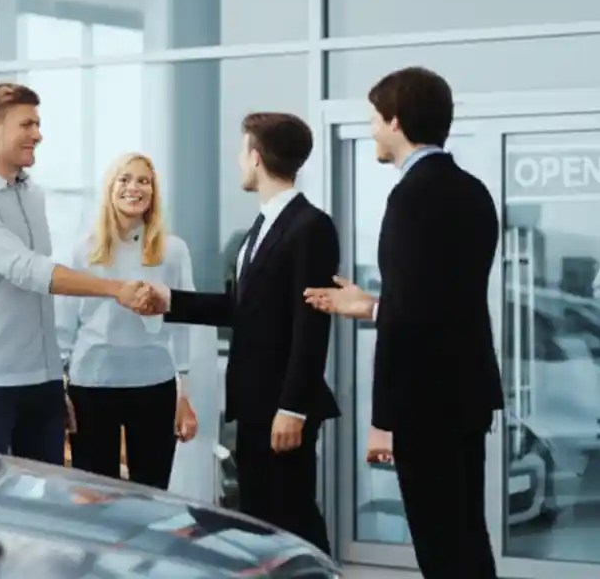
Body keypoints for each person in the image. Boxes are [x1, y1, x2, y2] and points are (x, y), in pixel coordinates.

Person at [304, 67, 501, 579]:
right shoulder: (474, 191)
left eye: (374, 118)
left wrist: (383, 419)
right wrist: (375, 304)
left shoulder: (411, 197)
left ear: (396, 120)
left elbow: (415, 316)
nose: (371, 129)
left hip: (426, 403)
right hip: (467, 394)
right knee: (466, 538)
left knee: (441, 547)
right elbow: (444, 301)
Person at [152, 112, 340, 553]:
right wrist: (170, 300)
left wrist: (293, 407)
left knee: (292, 517)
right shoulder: (261, 226)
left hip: (282, 405)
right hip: (255, 403)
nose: (239, 161)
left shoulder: (309, 226)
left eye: (242, 151)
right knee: (260, 517)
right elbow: (243, 309)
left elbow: (311, 324)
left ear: (256, 157)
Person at [0, 82, 156, 465]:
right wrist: (116, 289)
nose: (38, 135)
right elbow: (28, 270)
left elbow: (39, 304)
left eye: (38, 124)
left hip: (41, 385)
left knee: (47, 496)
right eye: (27, 125)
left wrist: (54, 381)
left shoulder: (32, 194)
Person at [55, 152, 216, 494]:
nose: (134, 187)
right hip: (91, 385)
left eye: (144, 181)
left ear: (153, 192)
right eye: (125, 179)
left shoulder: (173, 251)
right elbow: (63, 325)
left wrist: (185, 397)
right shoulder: (83, 250)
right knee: (95, 494)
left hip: (154, 385)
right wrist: (59, 388)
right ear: (110, 188)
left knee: (152, 494)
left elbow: (183, 326)